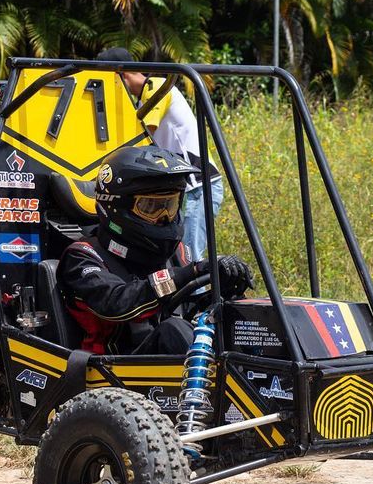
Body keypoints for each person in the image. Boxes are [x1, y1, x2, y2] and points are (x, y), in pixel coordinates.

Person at [58, 144, 253, 355]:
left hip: (165, 369)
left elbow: (187, 311)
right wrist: (191, 272)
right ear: (116, 207)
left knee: (238, 315)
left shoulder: (176, 252)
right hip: (114, 372)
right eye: (151, 207)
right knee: (173, 330)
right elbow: (116, 303)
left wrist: (224, 289)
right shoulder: (82, 256)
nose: (164, 218)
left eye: (169, 206)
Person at [96, 47, 224, 262]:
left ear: (119, 76)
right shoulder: (141, 100)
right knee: (173, 256)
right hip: (181, 188)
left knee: (190, 257)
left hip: (199, 186)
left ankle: (199, 296)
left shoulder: (157, 86)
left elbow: (142, 140)